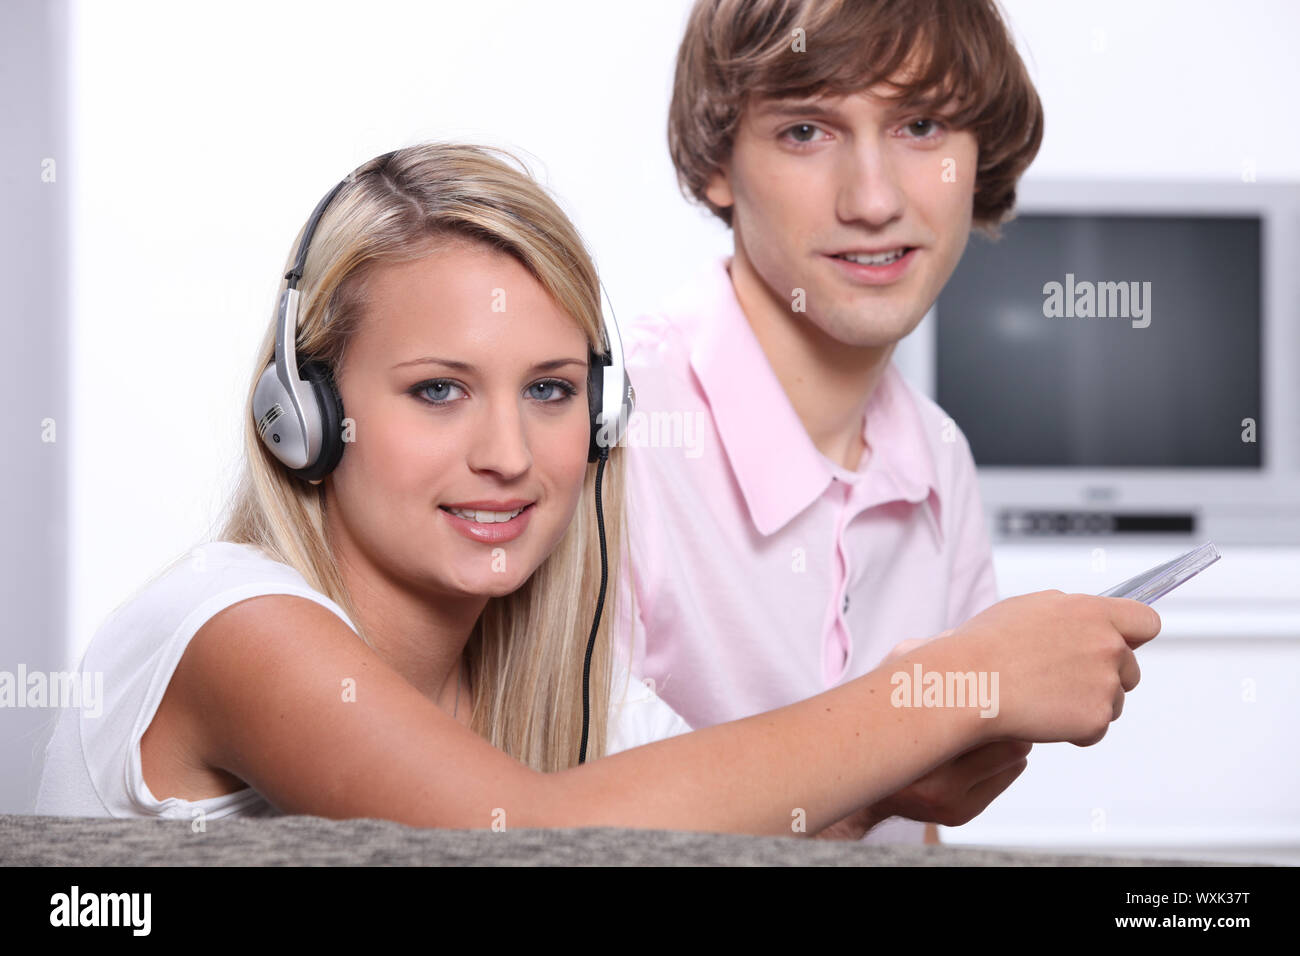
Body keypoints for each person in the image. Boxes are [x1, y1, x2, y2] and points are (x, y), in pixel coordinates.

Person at [35, 143, 1157, 836]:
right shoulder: (231, 623)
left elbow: (705, 832)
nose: (509, 454)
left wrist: (899, 784)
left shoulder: (561, 685)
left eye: (551, 390)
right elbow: (521, 837)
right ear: (307, 412)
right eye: (437, 391)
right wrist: (958, 683)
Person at [617, 0, 1047, 841]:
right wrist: (888, 763)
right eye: (807, 132)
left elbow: (919, 837)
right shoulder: (612, 435)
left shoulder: (937, 455)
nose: (874, 200)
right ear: (717, 163)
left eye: (921, 125)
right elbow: (579, 837)